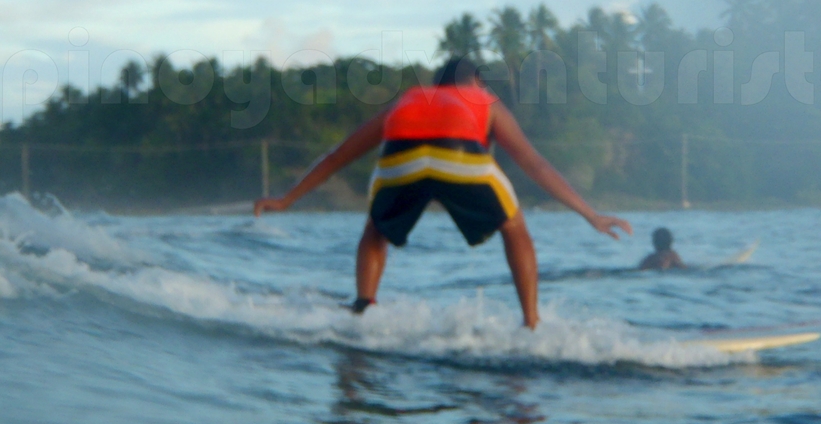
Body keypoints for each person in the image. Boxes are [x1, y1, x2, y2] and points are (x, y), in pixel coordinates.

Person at [254, 58, 632, 329]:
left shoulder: (407, 100)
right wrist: (590, 214)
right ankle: (531, 323)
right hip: (460, 157)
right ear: (475, 82)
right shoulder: (483, 100)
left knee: (376, 228)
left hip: (400, 160)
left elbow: (338, 155)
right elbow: (534, 164)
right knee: (514, 227)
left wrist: (286, 199)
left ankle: (364, 306)